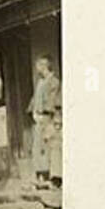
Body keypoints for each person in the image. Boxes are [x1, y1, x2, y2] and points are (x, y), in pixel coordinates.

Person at [28, 54, 62, 188]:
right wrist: (34, 112)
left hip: (49, 118)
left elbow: (54, 101)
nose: (37, 69)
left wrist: (47, 114)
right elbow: (35, 100)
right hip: (38, 119)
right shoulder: (40, 82)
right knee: (38, 148)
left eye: (38, 66)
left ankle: (54, 178)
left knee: (51, 147)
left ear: (44, 66)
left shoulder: (54, 81)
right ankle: (41, 175)